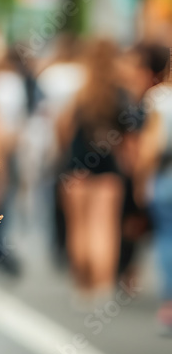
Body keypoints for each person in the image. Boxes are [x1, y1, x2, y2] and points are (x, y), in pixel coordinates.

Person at [56, 39, 134, 302]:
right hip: (108, 170)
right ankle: (102, 286)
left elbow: (64, 130)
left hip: (76, 169)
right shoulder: (120, 96)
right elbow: (128, 138)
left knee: (78, 228)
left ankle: (83, 285)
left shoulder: (80, 93)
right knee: (105, 227)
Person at [134, 44, 172, 335]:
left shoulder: (159, 98)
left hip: (166, 177)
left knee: (166, 240)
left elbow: (151, 147)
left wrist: (141, 180)